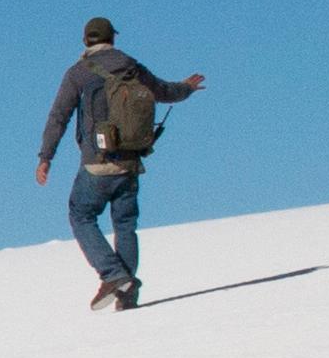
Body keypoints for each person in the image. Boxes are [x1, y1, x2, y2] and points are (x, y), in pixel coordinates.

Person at [36, 15, 206, 309]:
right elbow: (164, 92)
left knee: (81, 214)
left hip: (96, 163)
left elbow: (58, 117)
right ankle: (127, 295)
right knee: (125, 224)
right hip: (130, 161)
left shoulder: (77, 73)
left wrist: (45, 157)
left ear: (85, 40)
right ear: (112, 38)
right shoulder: (130, 66)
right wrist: (186, 87)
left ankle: (113, 275)